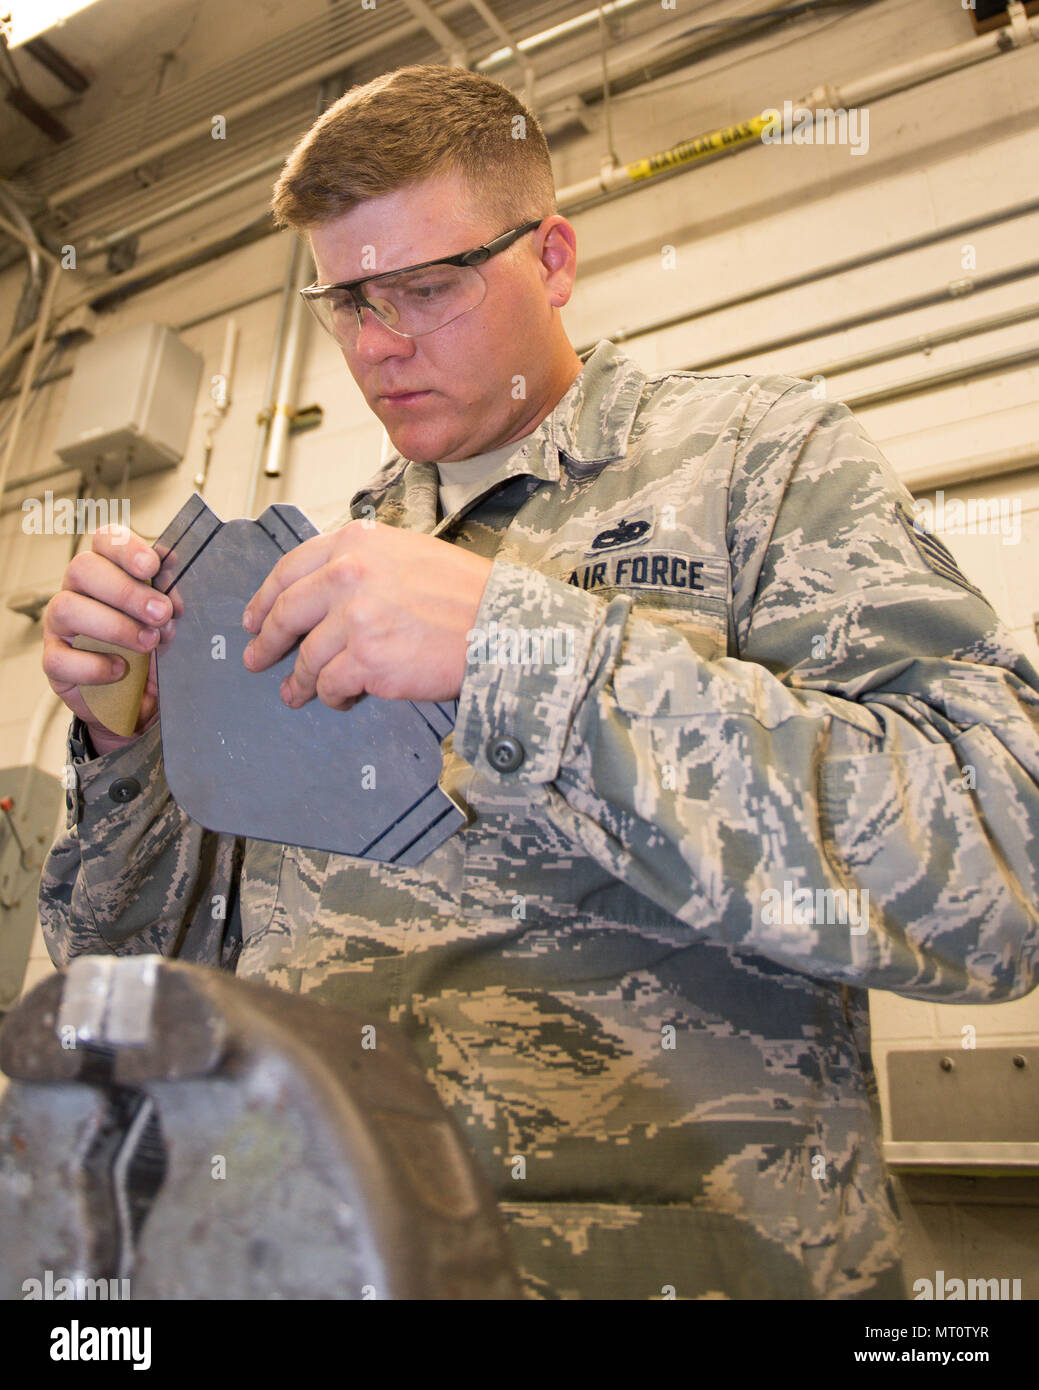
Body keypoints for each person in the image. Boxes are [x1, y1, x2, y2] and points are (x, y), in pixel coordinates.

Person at [38, 64, 1039, 1300]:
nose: (380, 345)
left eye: (426, 287)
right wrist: (124, 741)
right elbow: (139, 974)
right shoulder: (295, 572)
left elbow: (999, 864)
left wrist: (520, 648)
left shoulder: (753, 461)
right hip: (328, 1261)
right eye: (346, 301)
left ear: (552, 256)